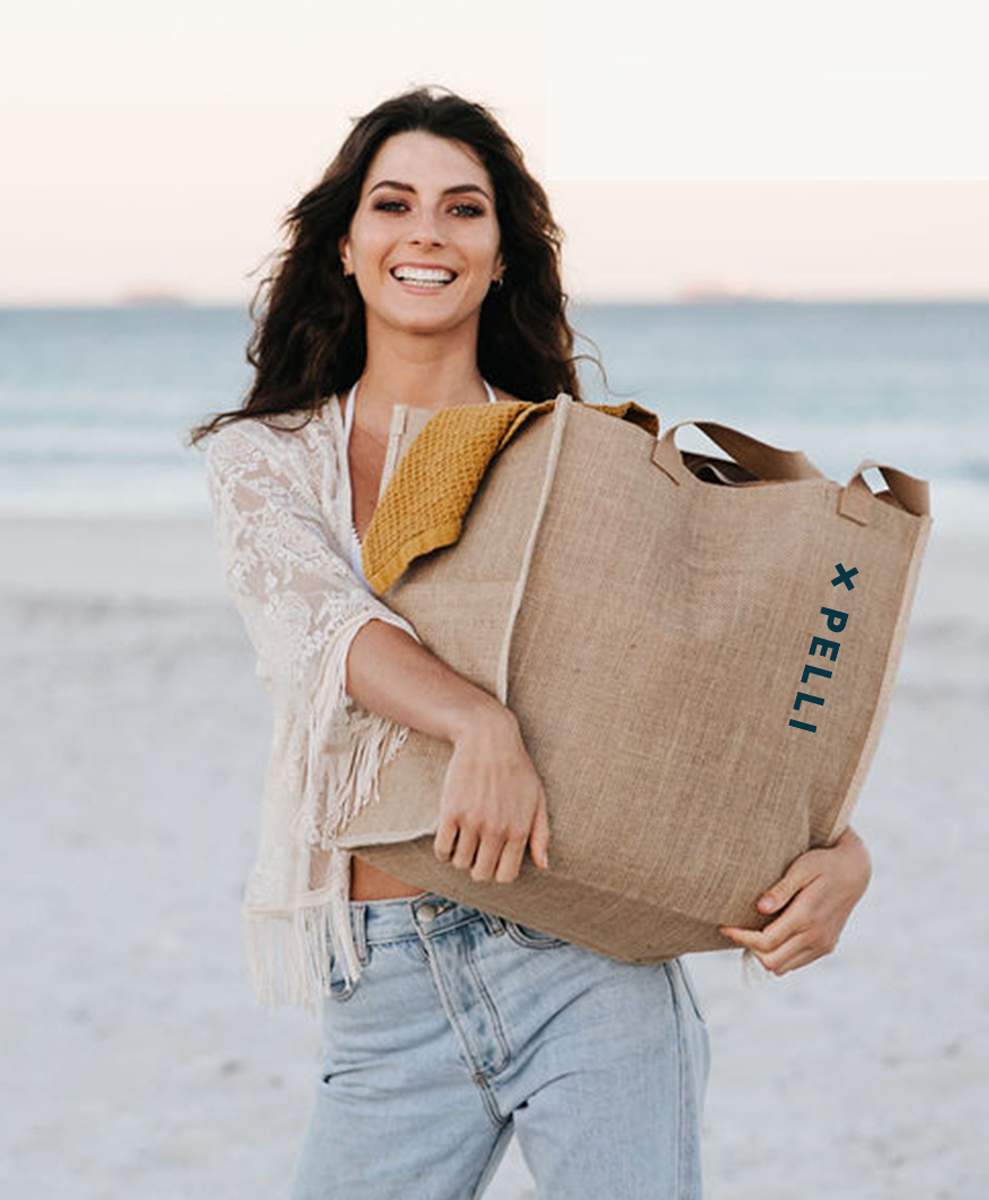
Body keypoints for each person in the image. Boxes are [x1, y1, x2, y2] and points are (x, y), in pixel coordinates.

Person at [190, 85, 872, 1200]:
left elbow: (694, 679)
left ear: (500, 255)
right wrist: (476, 721)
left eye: (464, 209)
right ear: (347, 247)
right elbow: (320, 624)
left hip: (586, 955)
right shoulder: (268, 461)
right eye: (393, 204)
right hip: (388, 977)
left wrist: (836, 844)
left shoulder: (572, 454)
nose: (426, 233)